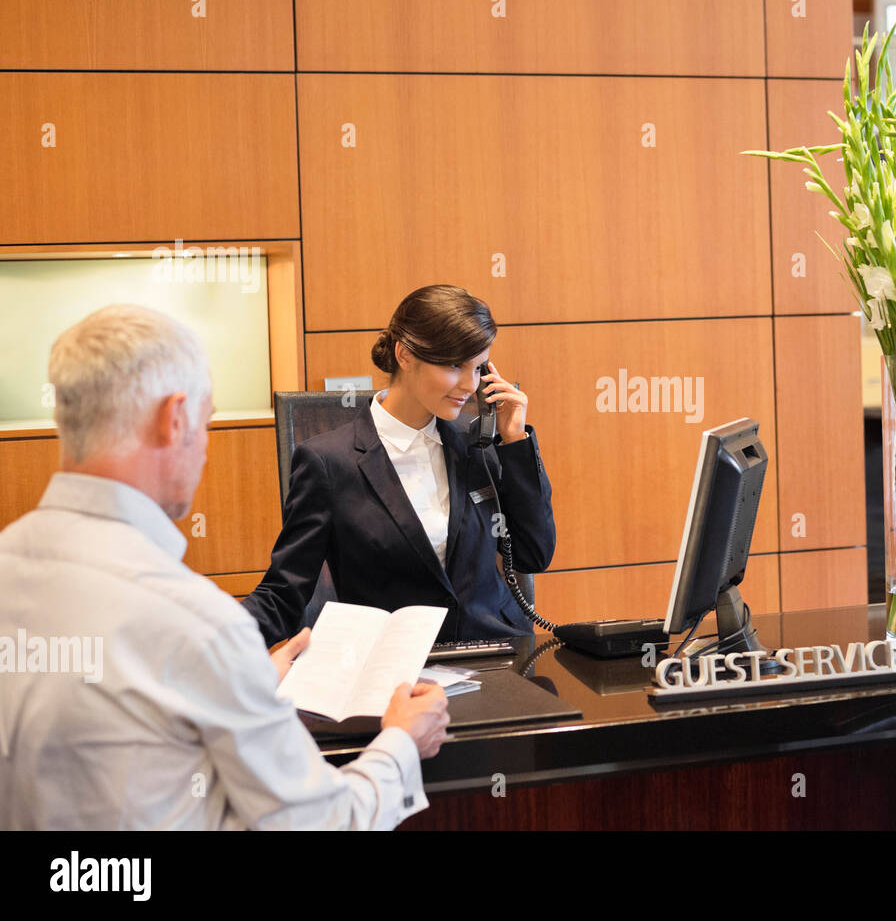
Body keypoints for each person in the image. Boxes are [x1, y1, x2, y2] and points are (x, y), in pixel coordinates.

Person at [0, 305, 449, 829]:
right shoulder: (197, 623)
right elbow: (321, 821)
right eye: (207, 424)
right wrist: (401, 742)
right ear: (174, 419)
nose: (206, 451)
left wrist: (245, 677)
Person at [240, 285, 557, 648]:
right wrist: (212, 644)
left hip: (495, 657)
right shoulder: (329, 464)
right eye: (455, 365)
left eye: (479, 367)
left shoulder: (478, 446)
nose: (470, 385)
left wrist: (515, 441)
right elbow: (284, 591)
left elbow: (534, 553)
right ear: (405, 356)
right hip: (393, 670)